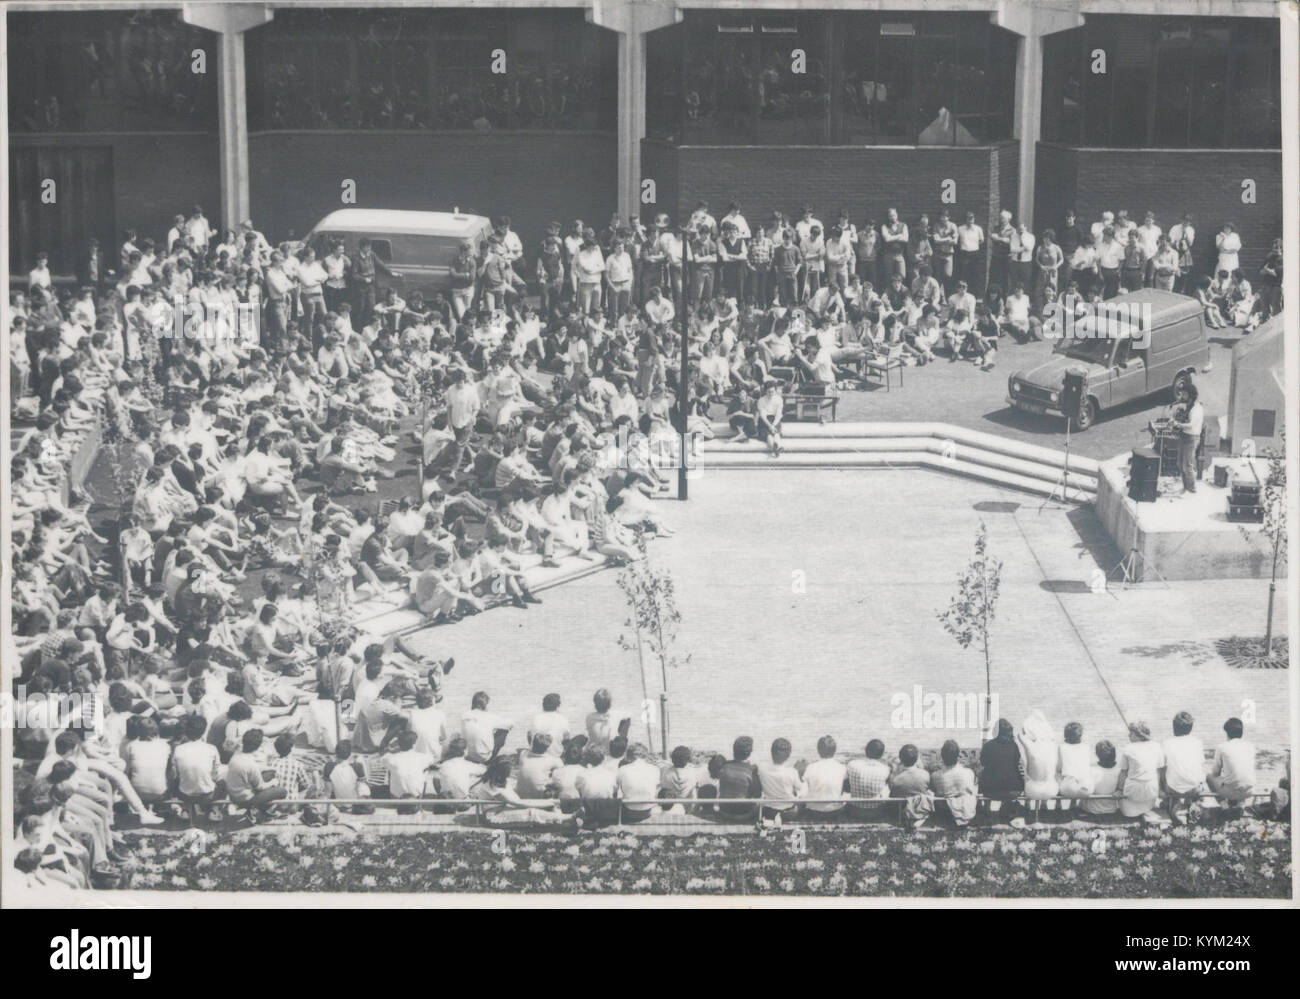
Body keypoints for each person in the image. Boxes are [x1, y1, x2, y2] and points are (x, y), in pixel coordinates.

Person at [1163, 711, 1206, 824]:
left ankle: (1173, 803)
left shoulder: (1167, 743)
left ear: (1174, 726)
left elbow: (1163, 768)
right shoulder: (1198, 743)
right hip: (1194, 788)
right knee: (1196, 773)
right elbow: (1201, 766)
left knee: (1163, 770)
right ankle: (1191, 803)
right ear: (1190, 728)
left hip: (1173, 789)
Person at [1117, 721, 1166, 822]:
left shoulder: (1128, 748)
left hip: (1133, 791)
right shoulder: (1157, 746)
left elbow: (1123, 772)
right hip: (1151, 789)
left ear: (1139, 735)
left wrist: (1119, 790)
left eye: (1131, 733)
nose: (1128, 735)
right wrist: (1159, 789)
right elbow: (1159, 771)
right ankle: (1146, 810)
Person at [978, 719, 1024, 824]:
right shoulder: (1014, 746)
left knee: (987, 775)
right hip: (1013, 790)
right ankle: (1007, 810)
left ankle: (988, 812)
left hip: (991, 791)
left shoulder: (988, 746)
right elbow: (1016, 763)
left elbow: (983, 763)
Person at [1208, 716, 1256, 807]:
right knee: (1242, 776)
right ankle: (1240, 805)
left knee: (1209, 777)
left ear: (1227, 733)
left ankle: (1224, 806)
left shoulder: (1222, 747)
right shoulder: (1250, 746)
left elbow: (1215, 773)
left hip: (1231, 792)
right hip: (1250, 791)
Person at [757, 737, 805, 823]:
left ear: (771, 752)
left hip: (769, 811)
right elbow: (801, 789)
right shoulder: (792, 772)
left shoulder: (761, 768)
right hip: (788, 812)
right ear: (788, 756)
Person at [802, 735, 847, 818]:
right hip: (835, 810)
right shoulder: (842, 768)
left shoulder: (810, 767)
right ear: (834, 750)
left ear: (818, 751)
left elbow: (803, 792)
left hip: (813, 810)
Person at [717, 736, 761, 819]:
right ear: (750, 753)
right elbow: (757, 794)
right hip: (743, 814)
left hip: (724, 811)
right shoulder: (752, 770)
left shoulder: (724, 766)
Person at [1172, 382, 1204, 494]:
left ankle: (1192, 489)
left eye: (1184, 394)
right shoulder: (1188, 406)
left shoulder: (1197, 409)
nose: (1182, 397)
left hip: (1191, 438)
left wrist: (1178, 424)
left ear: (1190, 395)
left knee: (1188, 465)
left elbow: (1191, 424)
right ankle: (1185, 487)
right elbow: (1182, 418)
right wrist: (1176, 414)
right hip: (1184, 435)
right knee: (1180, 463)